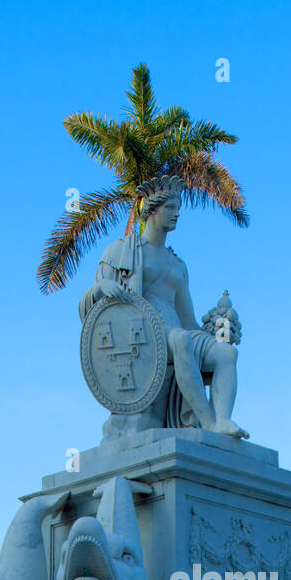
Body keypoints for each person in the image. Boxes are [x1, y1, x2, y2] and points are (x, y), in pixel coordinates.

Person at [80, 175, 248, 438]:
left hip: (176, 329)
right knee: (181, 340)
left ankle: (224, 420)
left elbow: (187, 320)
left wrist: (217, 328)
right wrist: (100, 289)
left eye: (178, 208)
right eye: (170, 207)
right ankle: (209, 424)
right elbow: (93, 313)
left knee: (226, 354)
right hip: (143, 335)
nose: (176, 214)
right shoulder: (123, 250)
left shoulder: (177, 265)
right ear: (151, 210)